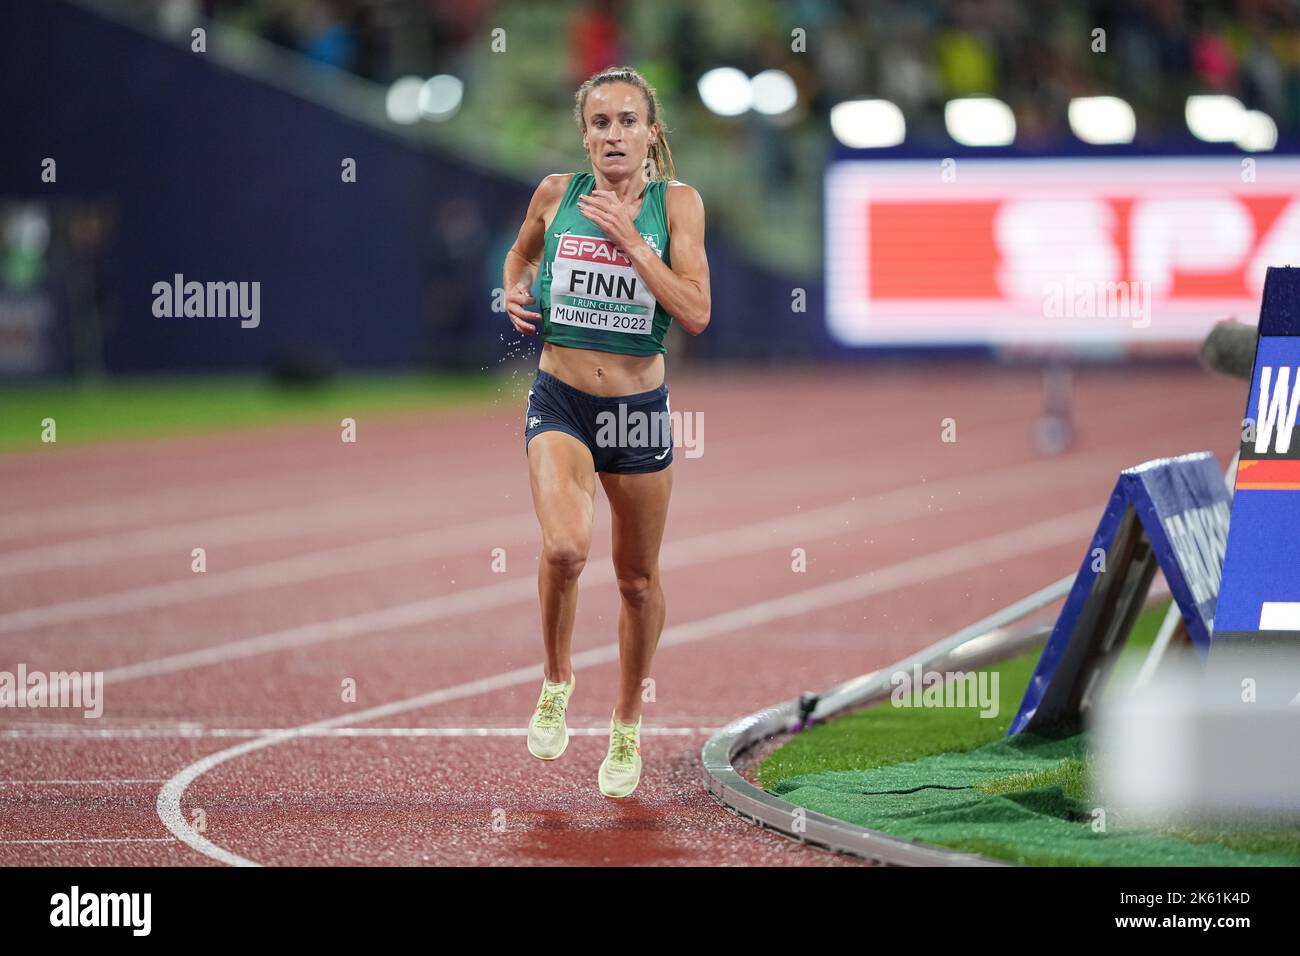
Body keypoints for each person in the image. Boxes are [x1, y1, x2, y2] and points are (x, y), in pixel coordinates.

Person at [501, 65, 710, 798]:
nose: (613, 134)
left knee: (636, 579)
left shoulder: (676, 206)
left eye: (627, 121)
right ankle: (557, 678)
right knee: (563, 549)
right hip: (560, 399)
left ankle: (626, 724)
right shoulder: (557, 195)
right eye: (600, 123)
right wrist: (513, 287)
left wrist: (634, 243)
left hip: (635, 410)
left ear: (652, 132)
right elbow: (522, 252)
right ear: (584, 134)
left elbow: (695, 311)